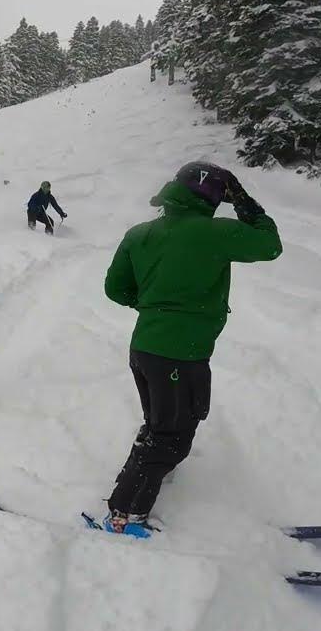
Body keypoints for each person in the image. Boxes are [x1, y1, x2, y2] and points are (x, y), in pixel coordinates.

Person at [100, 162, 283, 537]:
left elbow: (115, 289)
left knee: (159, 426)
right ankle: (125, 515)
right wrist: (245, 202)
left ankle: (138, 482)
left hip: (146, 349)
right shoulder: (217, 233)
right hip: (181, 355)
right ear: (215, 196)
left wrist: (154, 307)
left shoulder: (139, 233)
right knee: (174, 438)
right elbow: (270, 245)